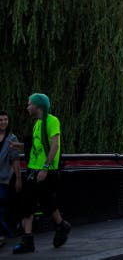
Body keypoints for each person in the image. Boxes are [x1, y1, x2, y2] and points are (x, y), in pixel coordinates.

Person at [11, 94, 71, 254]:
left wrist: (45, 168)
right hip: (33, 168)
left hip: (45, 170)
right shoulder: (37, 123)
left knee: (33, 202)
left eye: (29, 104)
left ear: (38, 106)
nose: (27, 107)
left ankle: (29, 240)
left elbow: (55, 145)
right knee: (43, 201)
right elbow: (36, 147)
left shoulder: (52, 121)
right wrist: (19, 146)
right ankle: (61, 226)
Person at [0, 111, 22, 249]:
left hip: (3, 179)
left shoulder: (11, 138)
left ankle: (3, 234)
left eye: (5, 119)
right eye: (0, 120)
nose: (3, 122)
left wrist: (18, 179)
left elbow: (15, 160)